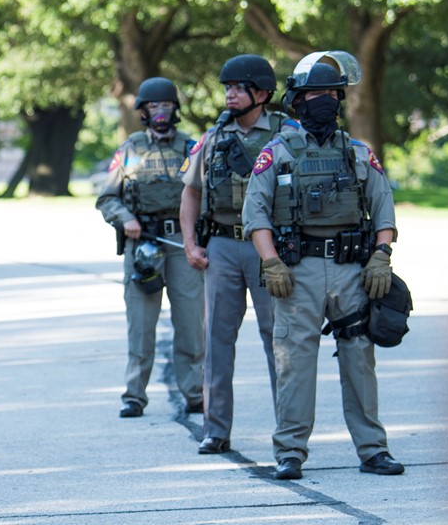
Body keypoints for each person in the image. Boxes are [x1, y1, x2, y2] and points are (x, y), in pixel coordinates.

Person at [241, 59, 403, 480]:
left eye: (332, 95)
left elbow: (383, 206)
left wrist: (381, 255)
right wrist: (271, 261)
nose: (326, 102)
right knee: (294, 361)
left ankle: (373, 450)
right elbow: (254, 213)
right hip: (298, 272)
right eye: (317, 96)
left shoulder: (357, 152)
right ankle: (290, 452)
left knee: (359, 359)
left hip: (352, 270)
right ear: (298, 101)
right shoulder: (276, 153)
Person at [179, 55, 288, 455]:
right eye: (227, 87)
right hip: (222, 245)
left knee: (278, 338)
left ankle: (289, 430)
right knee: (217, 340)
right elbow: (190, 192)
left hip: (268, 247)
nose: (230, 94)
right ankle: (216, 429)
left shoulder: (286, 135)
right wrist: (191, 243)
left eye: (238, 87)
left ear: (261, 94)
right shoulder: (211, 139)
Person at [96, 76, 202, 418]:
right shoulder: (130, 151)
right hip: (143, 246)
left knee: (191, 325)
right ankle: (134, 394)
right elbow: (106, 199)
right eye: (153, 106)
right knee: (141, 325)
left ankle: (196, 392)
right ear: (143, 111)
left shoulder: (191, 149)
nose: (160, 111)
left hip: (182, 244)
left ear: (176, 109)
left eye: (166, 105)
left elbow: (207, 195)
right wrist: (125, 218)